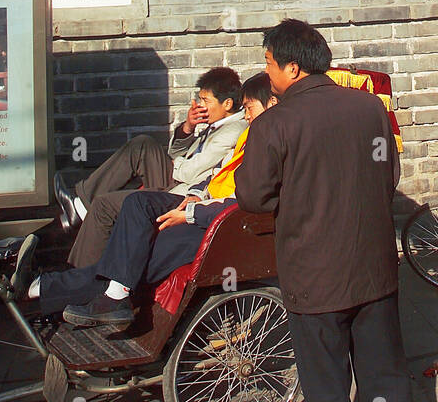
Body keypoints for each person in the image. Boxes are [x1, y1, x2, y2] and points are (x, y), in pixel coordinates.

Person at [235, 18, 430, 402]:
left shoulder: (273, 125)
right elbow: (388, 174)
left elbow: (253, 196)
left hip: (313, 280)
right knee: (383, 375)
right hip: (373, 273)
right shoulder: (369, 108)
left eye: (269, 63)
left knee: (326, 388)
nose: (266, 71)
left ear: (292, 67)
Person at [19, 73, 277, 322]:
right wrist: (196, 189)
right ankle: (68, 285)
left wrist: (189, 210)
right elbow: (215, 177)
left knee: (133, 240)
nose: (246, 115)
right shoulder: (249, 135)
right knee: (136, 201)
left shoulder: (248, 136)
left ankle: (49, 288)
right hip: (199, 199)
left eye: (250, 107)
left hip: (215, 219)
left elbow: (238, 196)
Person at [55, 66, 246, 268]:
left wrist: (176, 163)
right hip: (178, 177)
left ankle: (79, 275)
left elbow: (188, 172)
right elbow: (174, 154)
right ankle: (80, 205)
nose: (201, 105)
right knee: (142, 144)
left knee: (104, 204)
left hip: (186, 191)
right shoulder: (217, 122)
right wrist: (188, 127)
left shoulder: (233, 130)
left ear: (227, 103)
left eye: (206, 101)